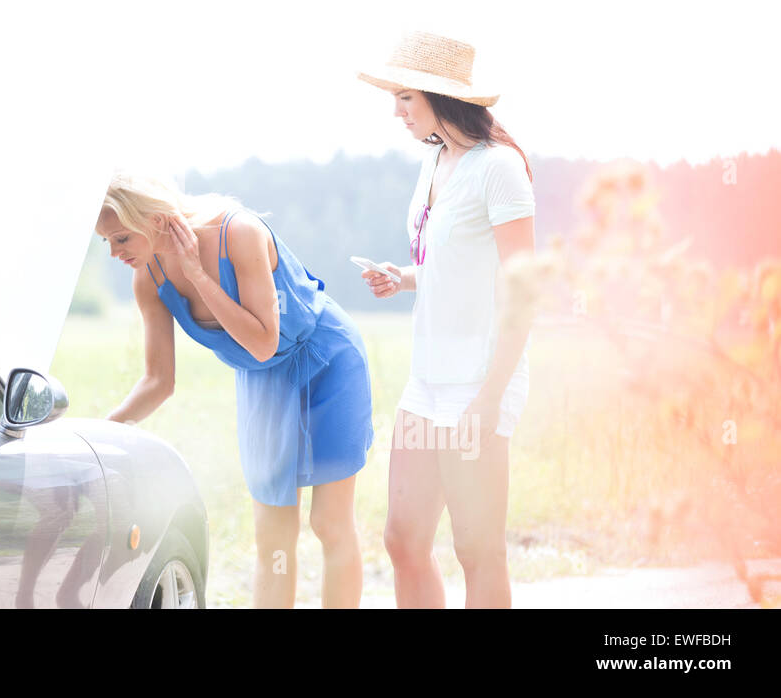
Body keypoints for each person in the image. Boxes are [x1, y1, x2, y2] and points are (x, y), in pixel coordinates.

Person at [97, 172, 375, 608]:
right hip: (265, 381)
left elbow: (264, 341)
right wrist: (102, 432)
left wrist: (197, 274)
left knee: (330, 523)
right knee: (273, 538)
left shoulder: (238, 232)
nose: (114, 253)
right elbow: (159, 381)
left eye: (120, 239)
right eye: (107, 244)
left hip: (327, 361)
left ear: (151, 219)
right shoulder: (147, 279)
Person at [356, 31, 536, 609]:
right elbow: (445, 264)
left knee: (476, 549)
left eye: (405, 97)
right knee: (404, 539)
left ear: (438, 97)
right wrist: (401, 277)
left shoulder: (500, 169)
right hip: (426, 382)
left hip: (478, 383)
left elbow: (522, 292)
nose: (396, 111)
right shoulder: (435, 160)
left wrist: (488, 399)